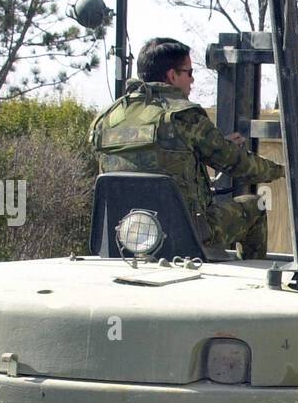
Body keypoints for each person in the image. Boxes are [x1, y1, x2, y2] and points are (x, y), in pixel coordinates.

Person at [89, 37, 284, 259]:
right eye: (189, 72)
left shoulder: (105, 120)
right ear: (172, 76)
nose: (192, 80)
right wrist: (281, 170)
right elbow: (240, 165)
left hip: (124, 238)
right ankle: (251, 288)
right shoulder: (184, 116)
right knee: (255, 206)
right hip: (184, 234)